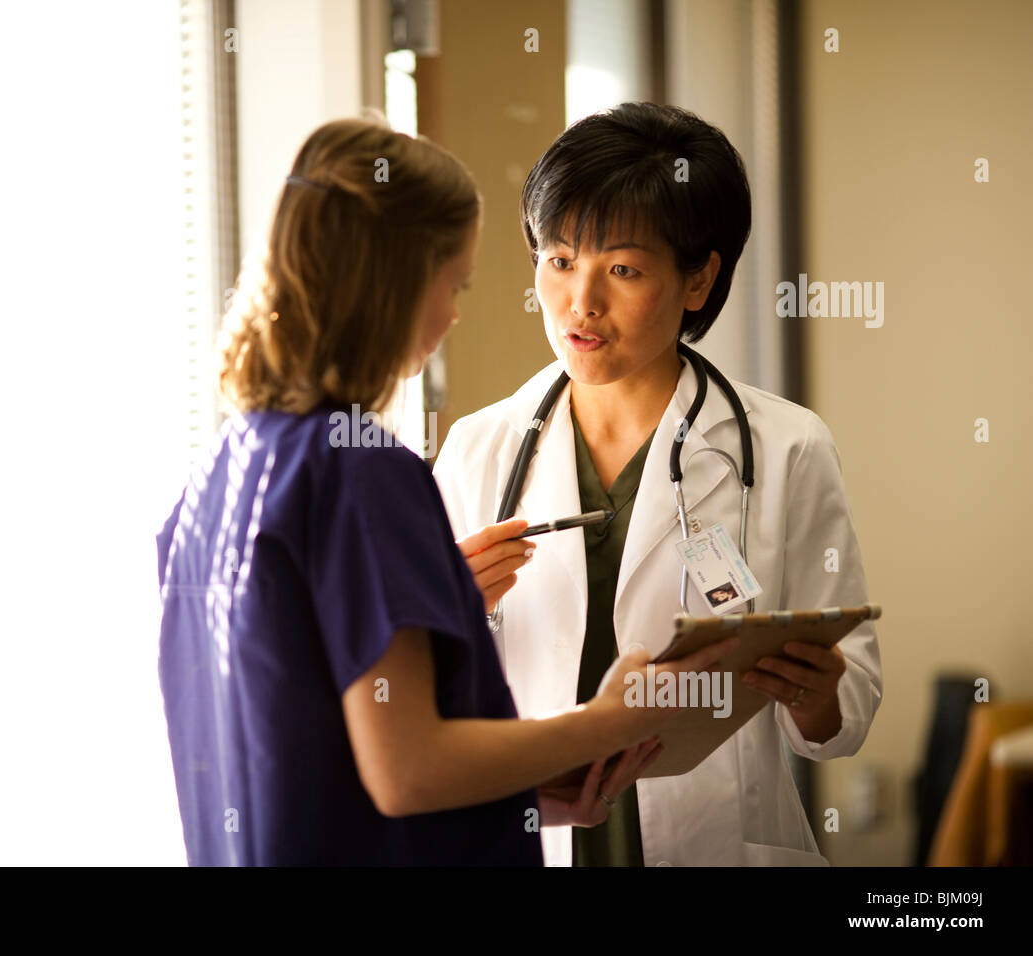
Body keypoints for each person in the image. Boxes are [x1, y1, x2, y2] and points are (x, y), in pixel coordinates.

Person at [155, 117, 735, 866]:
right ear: (392, 282)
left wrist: (527, 793)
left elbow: (321, 763)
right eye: (451, 282)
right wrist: (611, 721)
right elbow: (407, 773)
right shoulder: (359, 473)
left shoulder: (211, 485)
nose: (455, 313)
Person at [433, 103, 883, 867]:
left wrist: (817, 694)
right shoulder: (480, 450)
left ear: (700, 277)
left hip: (715, 842)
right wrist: (452, 619)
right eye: (559, 259)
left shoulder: (786, 447)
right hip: (536, 837)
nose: (582, 302)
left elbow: (848, 708)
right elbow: (417, 707)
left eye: (624, 269)